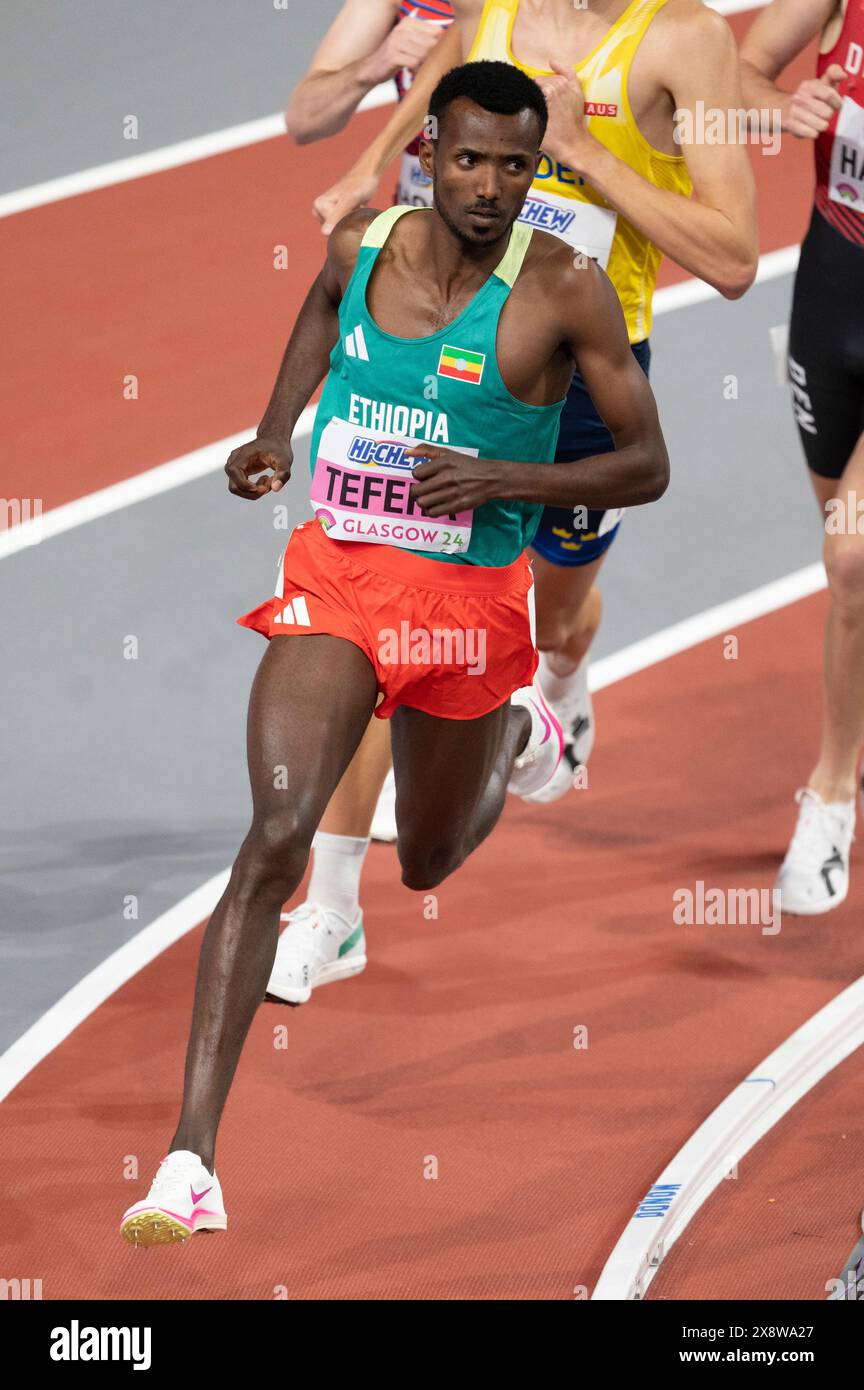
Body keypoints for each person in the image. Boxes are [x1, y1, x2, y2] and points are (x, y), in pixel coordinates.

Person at [120, 61, 668, 1244]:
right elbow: (319, 311)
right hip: (341, 577)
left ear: (538, 167)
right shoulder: (361, 245)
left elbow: (646, 466)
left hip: (470, 608)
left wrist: (504, 476)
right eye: (469, 159)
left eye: (516, 165)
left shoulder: (566, 290)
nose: (490, 185)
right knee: (274, 836)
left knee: (423, 863)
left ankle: (526, 725)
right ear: (427, 152)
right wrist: (274, 433)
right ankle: (188, 1161)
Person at [269, 0, 759, 1002]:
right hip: (459, 353)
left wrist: (584, 152)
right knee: (385, 608)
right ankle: (332, 906)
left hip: (584, 360)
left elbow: (735, 255)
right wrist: (366, 176)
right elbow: (433, 125)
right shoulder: (488, 11)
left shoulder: (687, 43)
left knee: (560, 604)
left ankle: (551, 698)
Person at [741, 0, 864, 914]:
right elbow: (739, 79)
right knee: (849, 567)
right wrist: (779, 104)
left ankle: (829, 795)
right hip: (834, 300)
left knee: (853, 560)